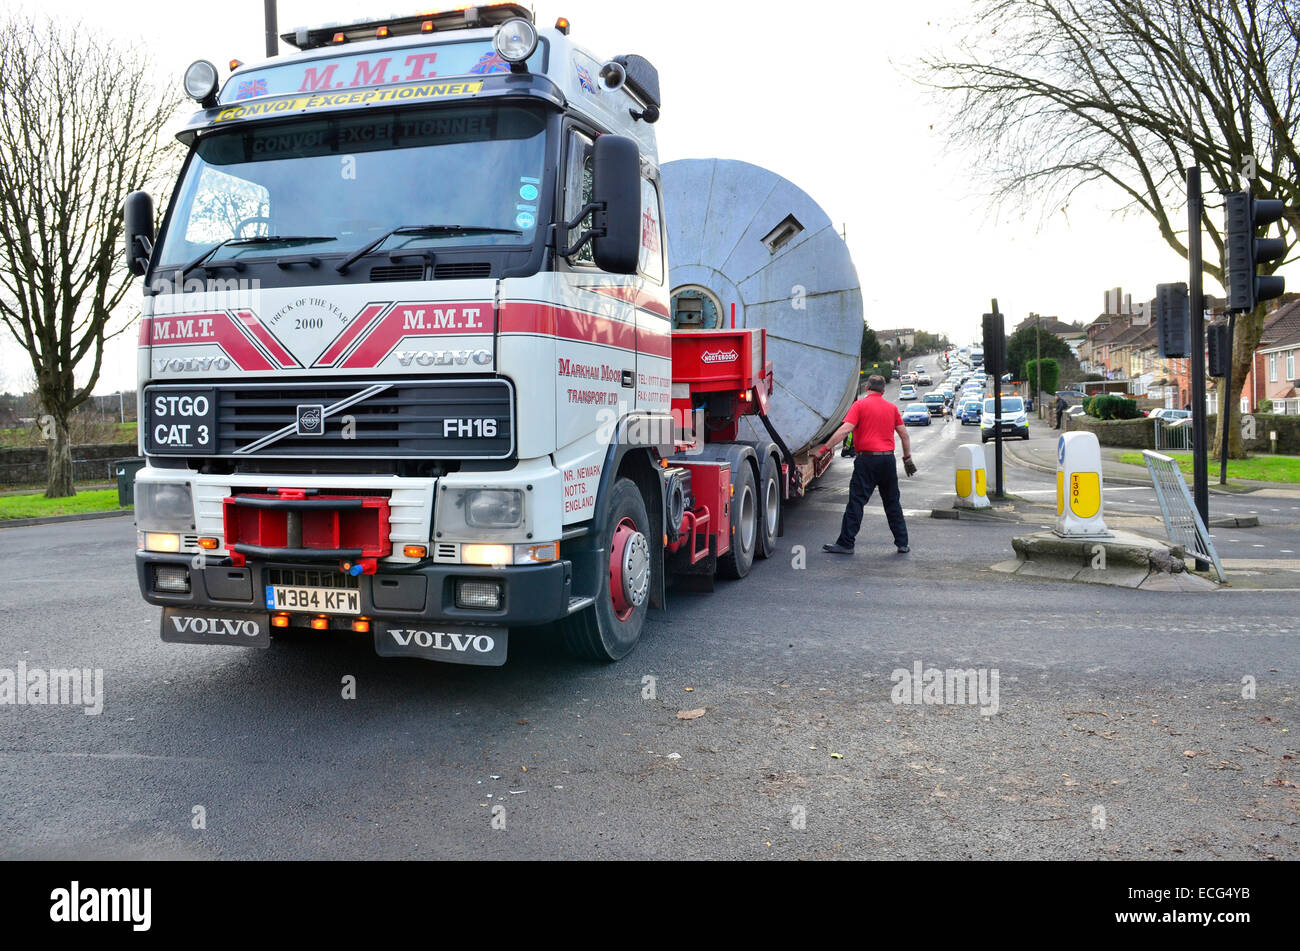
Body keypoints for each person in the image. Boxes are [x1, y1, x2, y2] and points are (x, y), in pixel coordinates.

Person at [819, 375, 914, 555]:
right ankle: (902, 543)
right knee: (892, 502)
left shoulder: (859, 405)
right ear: (883, 391)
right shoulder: (892, 408)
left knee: (856, 501)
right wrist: (907, 458)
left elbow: (845, 429)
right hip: (887, 460)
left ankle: (846, 544)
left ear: (868, 388)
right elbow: (904, 435)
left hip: (867, 460)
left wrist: (824, 449)